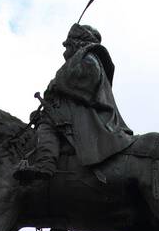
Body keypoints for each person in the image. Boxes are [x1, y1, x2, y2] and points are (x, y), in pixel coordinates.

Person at [16, 22, 133, 185]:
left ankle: (45, 165)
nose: (65, 50)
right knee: (43, 120)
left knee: (47, 125)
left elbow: (85, 84)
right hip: (72, 110)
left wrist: (58, 85)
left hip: (83, 113)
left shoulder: (89, 59)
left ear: (76, 43)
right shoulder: (82, 60)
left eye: (67, 45)